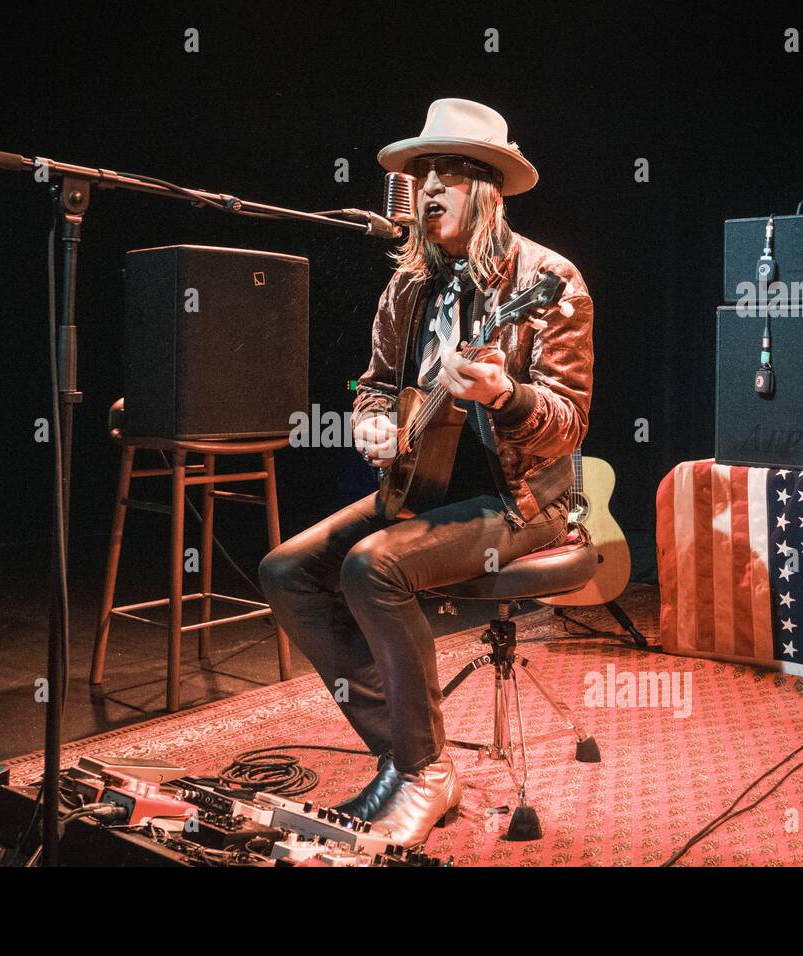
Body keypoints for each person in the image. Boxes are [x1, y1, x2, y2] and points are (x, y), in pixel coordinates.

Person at [258, 98, 594, 847]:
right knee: (286, 571)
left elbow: (570, 421)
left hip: (524, 497)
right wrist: (371, 416)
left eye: (450, 172)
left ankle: (422, 771)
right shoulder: (408, 286)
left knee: (372, 567)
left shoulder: (549, 280)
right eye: (422, 173)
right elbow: (374, 381)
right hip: (424, 488)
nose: (430, 187)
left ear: (490, 191)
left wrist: (508, 396)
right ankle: (409, 755)